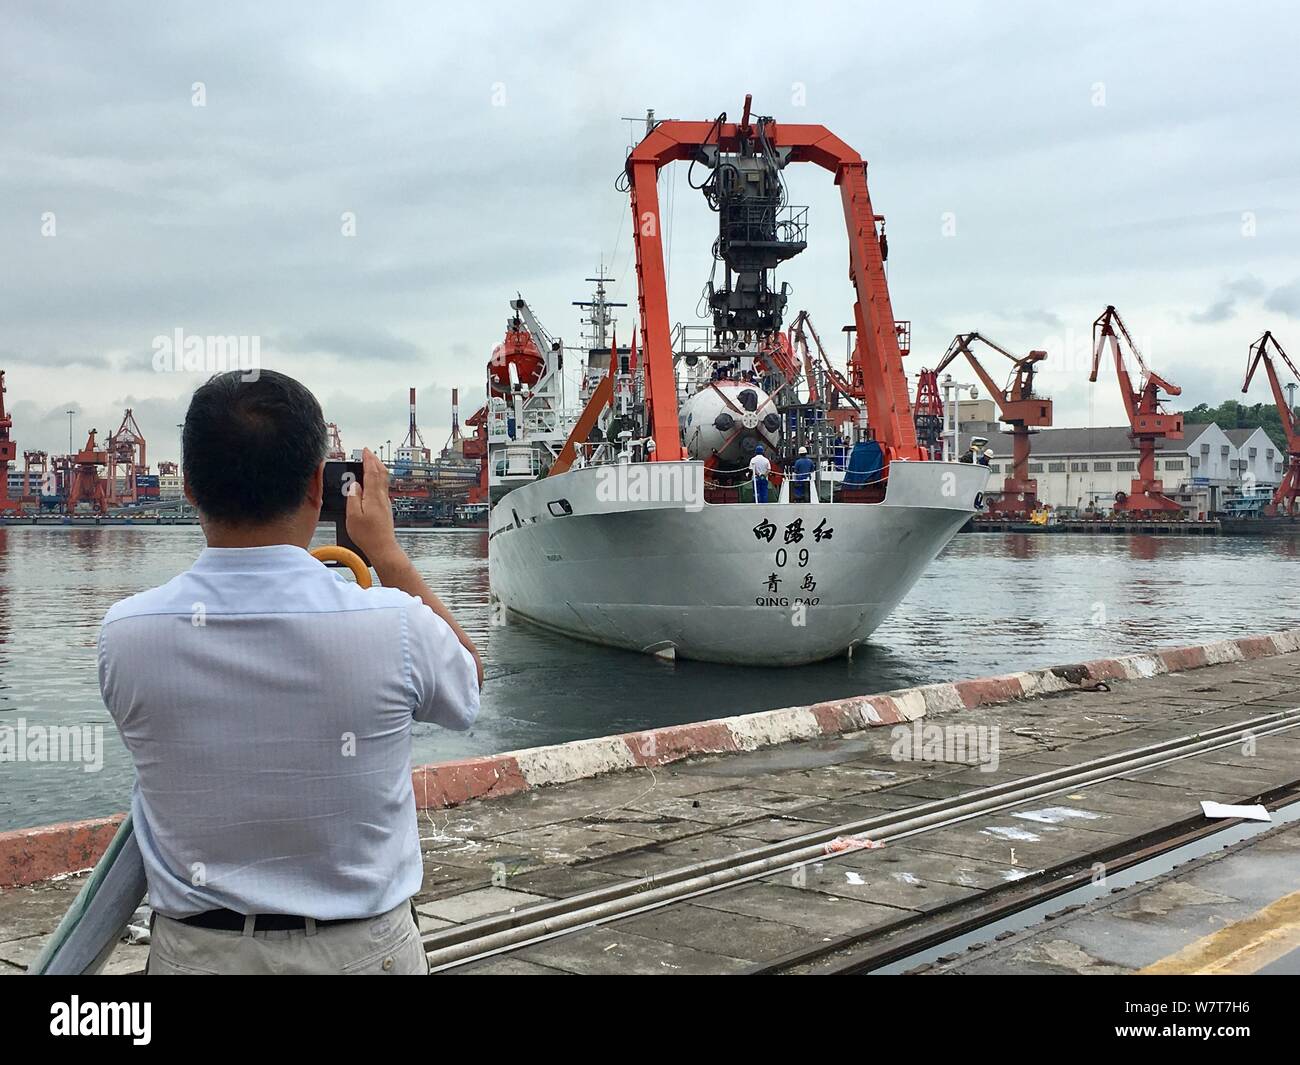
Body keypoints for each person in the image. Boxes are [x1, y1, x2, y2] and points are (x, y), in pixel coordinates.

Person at [99, 370, 482, 975]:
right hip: (363, 950)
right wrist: (384, 553)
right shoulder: (395, 626)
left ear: (191, 487)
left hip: (196, 954)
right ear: (316, 485)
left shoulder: (126, 634)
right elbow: (468, 686)